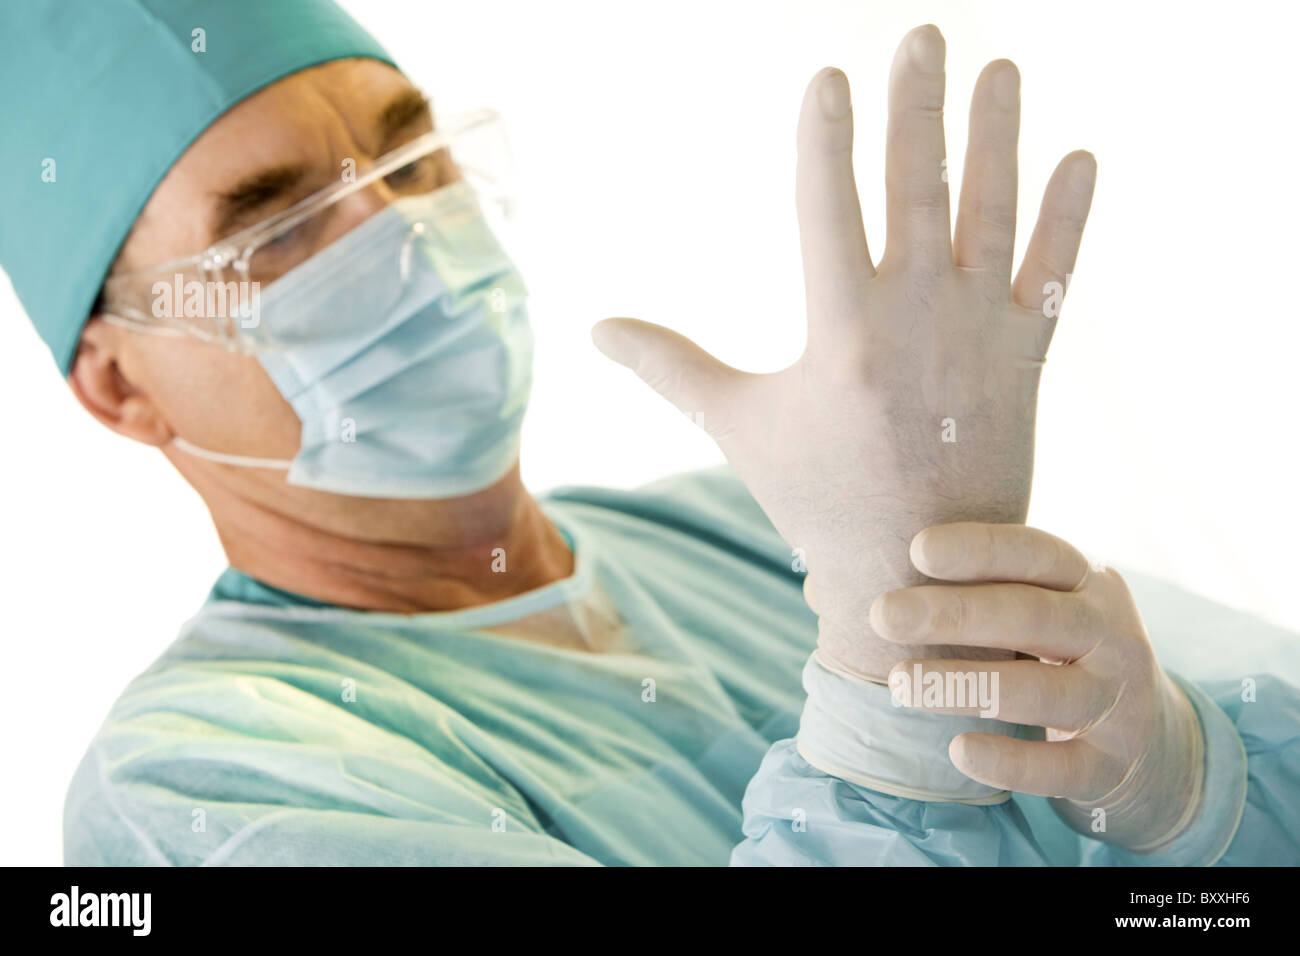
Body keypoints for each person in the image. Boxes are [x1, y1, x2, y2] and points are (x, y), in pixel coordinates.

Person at [2, 0, 1295, 866]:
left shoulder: (749, 527)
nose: (405, 241)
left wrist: (1191, 796)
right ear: (122, 387)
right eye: (280, 229)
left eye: (412, 160)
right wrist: (883, 733)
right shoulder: (197, 789)